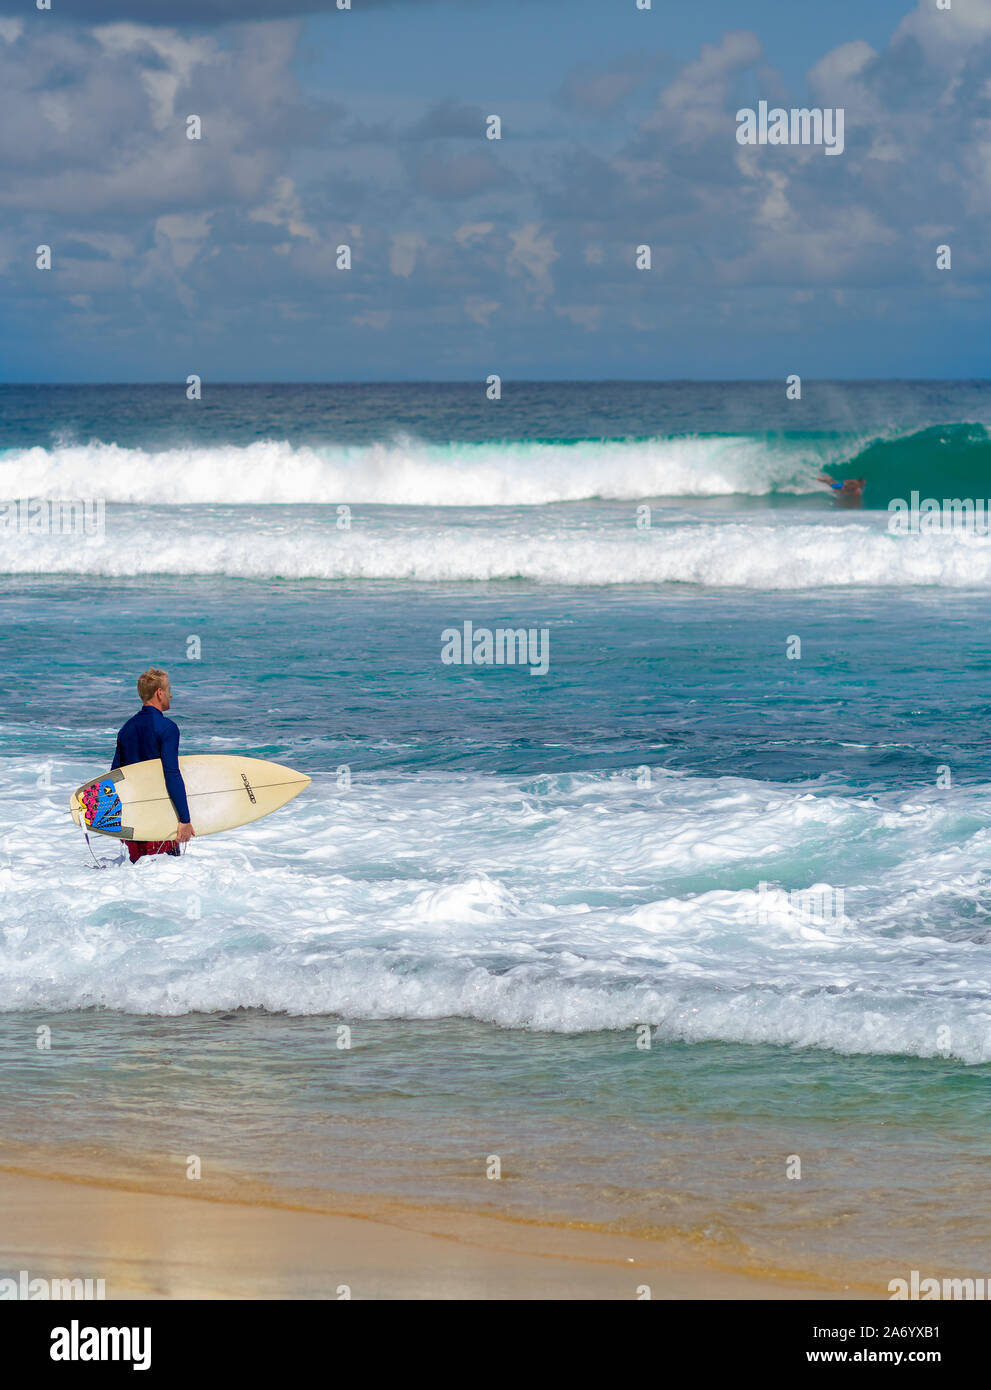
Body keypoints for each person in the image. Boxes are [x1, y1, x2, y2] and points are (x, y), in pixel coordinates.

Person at [113, 668, 195, 864]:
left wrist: (117, 820)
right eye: (168, 690)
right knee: (163, 874)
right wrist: (184, 819)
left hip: (135, 817)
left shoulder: (126, 729)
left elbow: (115, 776)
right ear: (159, 693)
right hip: (159, 817)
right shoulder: (167, 728)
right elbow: (171, 773)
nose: (170, 695)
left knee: (138, 871)